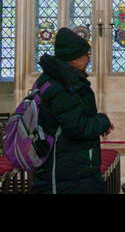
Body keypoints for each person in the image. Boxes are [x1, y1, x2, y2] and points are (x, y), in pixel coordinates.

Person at [30, 27, 112, 194]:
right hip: (69, 172)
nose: (89, 59)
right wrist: (103, 121)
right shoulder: (62, 86)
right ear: (73, 59)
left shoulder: (57, 80)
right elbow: (77, 127)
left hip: (72, 168)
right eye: (86, 54)